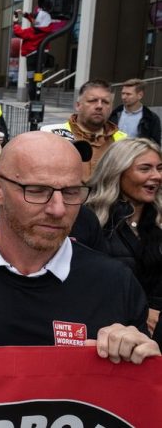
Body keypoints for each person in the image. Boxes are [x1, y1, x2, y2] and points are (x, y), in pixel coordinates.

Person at [0, 132, 160, 364]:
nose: (58, 209)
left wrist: (140, 355)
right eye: (37, 191)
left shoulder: (116, 283)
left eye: (71, 192)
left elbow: (137, 390)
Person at [86, 138, 162, 339]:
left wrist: (155, 309)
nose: (156, 176)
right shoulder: (90, 219)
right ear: (117, 172)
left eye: (160, 168)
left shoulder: (158, 220)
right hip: (106, 333)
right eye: (145, 168)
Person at [42, 79, 126, 181]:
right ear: (78, 105)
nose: (99, 106)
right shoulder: (51, 134)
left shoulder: (123, 141)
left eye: (105, 102)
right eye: (92, 101)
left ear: (111, 108)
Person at [109, 78, 161, 144]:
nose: (123, 97)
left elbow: (155, 144)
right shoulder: (114, 114)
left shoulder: (151, 118)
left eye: (128, 94)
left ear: (140, 95)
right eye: (123, 93)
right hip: (114, 150)